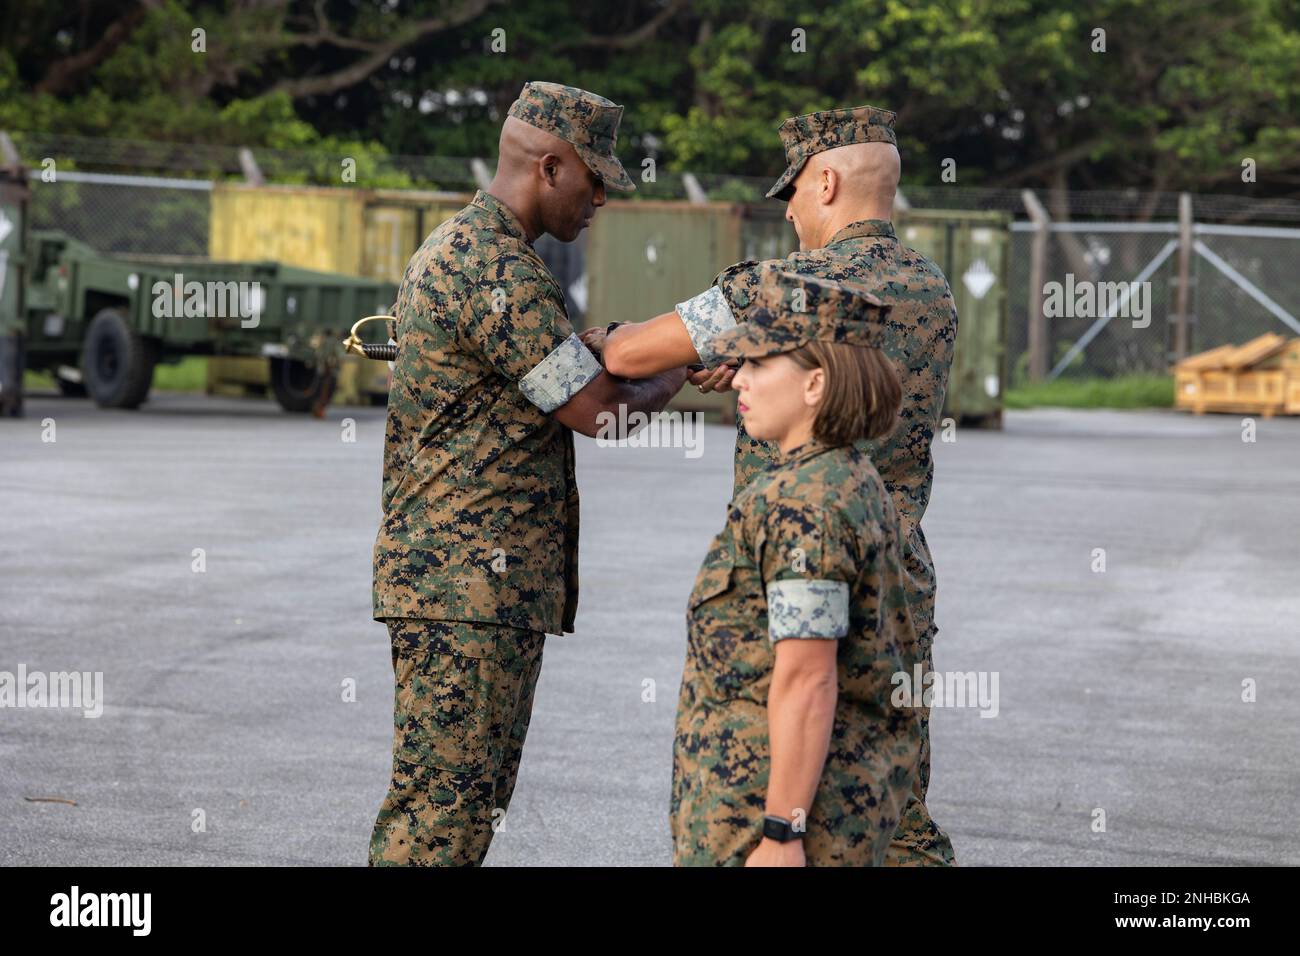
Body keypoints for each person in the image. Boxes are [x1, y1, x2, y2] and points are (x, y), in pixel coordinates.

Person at [597, 104, 958, 866]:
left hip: (789, 574)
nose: (789, 209)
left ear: (824, 182)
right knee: (888, 805)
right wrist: (758, 363)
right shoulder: (932, 292)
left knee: (776, 804)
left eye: (791, 190)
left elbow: (631, 356)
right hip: (894, 584)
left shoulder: (780, 286)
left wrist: (607, 340)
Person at [369, 81, 689, 866]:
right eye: (595, 179)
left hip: (474, 592)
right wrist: (681, 362)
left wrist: (607, 344)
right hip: (464, 594)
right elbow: (597, 411)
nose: (602, 199)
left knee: (460, 808)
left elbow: (547, 375)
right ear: (550, 167)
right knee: (439, 817)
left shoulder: (479, 256)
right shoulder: (493, 270)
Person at [672, 264, 922, 866]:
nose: (739, 382)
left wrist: (784, 833)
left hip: (768, 821)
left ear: (815, 384)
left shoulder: (806, 503)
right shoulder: (842, 479)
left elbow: (809, 677)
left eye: (758, 364)